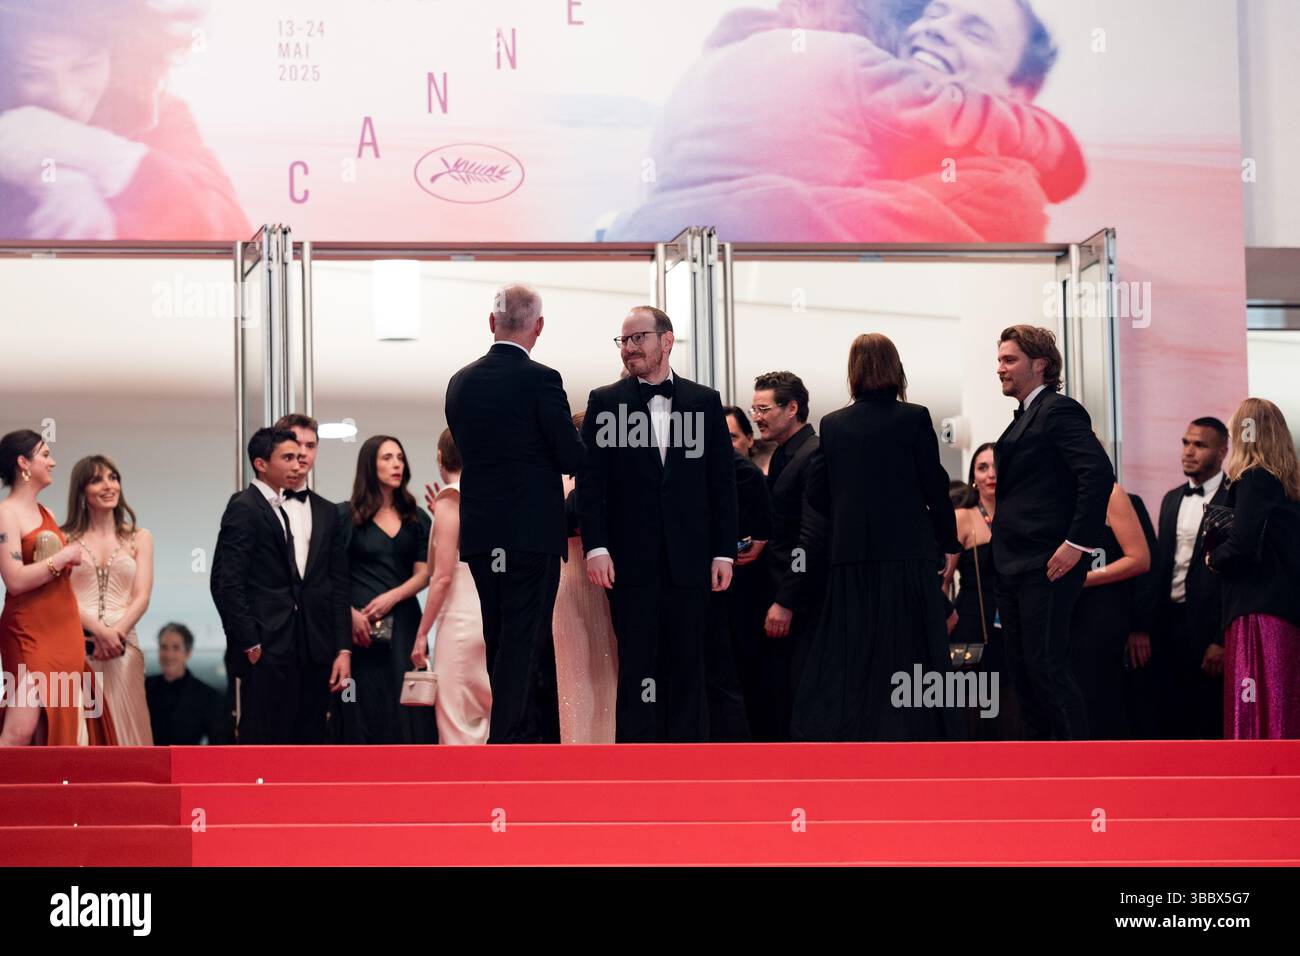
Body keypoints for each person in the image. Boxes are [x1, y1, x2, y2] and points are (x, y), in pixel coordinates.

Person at [603, 0, 1084, 244]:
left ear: (1023, 93)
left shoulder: (999, 187)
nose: (936, 26)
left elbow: (803, 230)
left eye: (975, 30)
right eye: (935, 12)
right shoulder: (844, 80)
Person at [578, 305, 738, 742]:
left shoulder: (704, 401)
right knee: (636, 665)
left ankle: (689, 766)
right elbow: (592, 483)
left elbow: (721, 483)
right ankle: (634, 767)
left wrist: (724, 551)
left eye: (638, 338)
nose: (629, 348)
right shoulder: (605, 401)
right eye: (623, 340)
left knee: (689, 664)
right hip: (630, 562)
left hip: (691, 559)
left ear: (666, 341)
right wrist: (597, 547)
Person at [792, 333, 960, 741]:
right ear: (895, 368)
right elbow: (934, 485)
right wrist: (949, 543)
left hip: (851, 556)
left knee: (854, 651)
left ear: (853, 372)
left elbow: (816, 491)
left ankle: (852, 737)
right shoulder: (915, 417)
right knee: (912, 647)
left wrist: (847, 515)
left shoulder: (833, 425)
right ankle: (918, 735)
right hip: (908, 553)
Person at [445, 284, 586, 743]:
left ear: (492, 323)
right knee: (523, 640)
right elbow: (569, 456)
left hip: (485, 534)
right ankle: (508, 743)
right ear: (538, 327)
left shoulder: (460, 382)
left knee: (500, 636)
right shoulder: (542, 379)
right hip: (530, 533)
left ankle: (521, 735)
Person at [0, 0, 250, 239]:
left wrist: (103, 156)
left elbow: (232, 234)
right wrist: (56, 179)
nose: (66, 99)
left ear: (119, 58)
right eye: (31, 74)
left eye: (85, 66)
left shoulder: (160, 116)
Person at [991, 325, 1113, 740]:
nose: (1000, 368)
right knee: (1024, 670)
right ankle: (1042, 768)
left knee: (1046, 666)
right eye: (1000, 360)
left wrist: (1076, 544)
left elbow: (1097, 473)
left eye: (1010, 360)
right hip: (1015, 565)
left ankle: (1079, 769)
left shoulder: (1059, 410)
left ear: (1040, 364)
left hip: (1046, 563)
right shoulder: (1028, 415)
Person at [210, 427, 351, 745]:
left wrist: (341, 647)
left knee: (311, 737)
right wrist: (250, 643)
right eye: (288, 457)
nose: (298, 463)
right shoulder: (244, 506)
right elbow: (227, 582)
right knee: (263, 738)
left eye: (301, 456)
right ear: (261, 463)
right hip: (267, 644)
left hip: (312, 645)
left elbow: (338, 585)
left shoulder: (326, 511)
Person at [0, 429, 114, 745]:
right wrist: (61, 558)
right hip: (29, 627)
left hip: (63, 627)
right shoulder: (5, 513)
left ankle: (36, 794)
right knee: (19, 728)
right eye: (45, 455)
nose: (53, 462)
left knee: (45, 727)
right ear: (23, 462)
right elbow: (15, 579)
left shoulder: (46, 513)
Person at [1207, 398, 1300, 740]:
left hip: (1257, 611)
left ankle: (1257, 783)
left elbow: (1243, 545)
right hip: (1284, 611)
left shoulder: (1254, 479)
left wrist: (1214, 558)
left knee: (1255, 706)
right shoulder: (1287, 485)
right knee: (1282, 703)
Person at [336, 434, 433, 745]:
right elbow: (332, 575)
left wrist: (394, 595)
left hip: (404, 619)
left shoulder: (416, 516)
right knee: (364, 703)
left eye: (400, 458)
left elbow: (425, 572)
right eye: (387, 458)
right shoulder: (346, 516)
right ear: (370, 464)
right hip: (360, 624)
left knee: (406, 703)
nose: (396, 465)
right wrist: (348, 613)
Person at [743, 370, 825, 740]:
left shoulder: (813, 455)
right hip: (779, 592)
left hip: (801, 602)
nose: (757, 417)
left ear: (792, 408)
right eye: (754, 408)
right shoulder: (784, 455)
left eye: (764, 408)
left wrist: (785, 600)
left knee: (797, 696)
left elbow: (809, 537)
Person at [63, 454, 154, 746]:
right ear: (82, 491)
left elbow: (142, 596)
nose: (108, 486)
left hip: (124, 645)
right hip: (78, 642)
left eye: (113, 478)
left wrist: (116, 634)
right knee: (80, 732)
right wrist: (98, 631)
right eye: (97, 480)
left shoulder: (139, 537)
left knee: (128, 729)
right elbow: (60, 596)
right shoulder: (64, 539)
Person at [1150, 417, 1229, 738]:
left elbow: (1235, 578)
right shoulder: (1171, 499)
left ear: (1222, 452)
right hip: (1168, 624)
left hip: (1210, 627)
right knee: (1169, 715)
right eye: (1185, 443)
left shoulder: (1234, 499)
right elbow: (1160, 567)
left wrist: (1222, 639)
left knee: (1209, 717)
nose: (1189, 451)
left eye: (1200, 445)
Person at [412, 429, 491, 745]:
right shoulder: (485, 496)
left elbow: (442, 576)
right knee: (486, 712)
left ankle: (465, 789)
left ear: (441, 457)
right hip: (486, 614)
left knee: (455, 717)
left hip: (458, 620)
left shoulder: (449, 498)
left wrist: (421, 633)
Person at [550, 414, 619, 743]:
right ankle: (573, 745)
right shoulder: (556, 479)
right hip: (569, 579)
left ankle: (609, 743)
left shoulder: (608, 477)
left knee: (607, 665)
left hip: (603, 579)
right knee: (572, 669)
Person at [944, 442, 1019, 739]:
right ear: (974, 476)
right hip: (969, 622)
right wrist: (943, 613)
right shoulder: (963, 517)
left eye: (996, 466)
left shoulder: (1020, 515)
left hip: (1012, 621)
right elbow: (944, 578)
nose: (991, 474)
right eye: (983, 467)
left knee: (1010, 701)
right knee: (968, 700)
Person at [1067, 481, 1151, 739]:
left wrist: (1085, 578)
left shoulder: (1110, 492)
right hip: (1063, 614)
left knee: (1098, 697)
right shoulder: (1049, 492)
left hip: (1100, 612)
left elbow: (1140, 559)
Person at [707, 441, 774, 741]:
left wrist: (756, 537)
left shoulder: (740, 471)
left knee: (728, 672)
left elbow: (760, 530)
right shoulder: (735, 468)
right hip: (715, 585)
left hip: (733, 589)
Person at [145, 622, 231, 745]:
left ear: (188, 653)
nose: (168, 655)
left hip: (186, 762)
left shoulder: (208, 697)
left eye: (176, 648)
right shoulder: (143, 689)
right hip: (147, 761)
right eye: (164, 647)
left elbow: (218, 744)